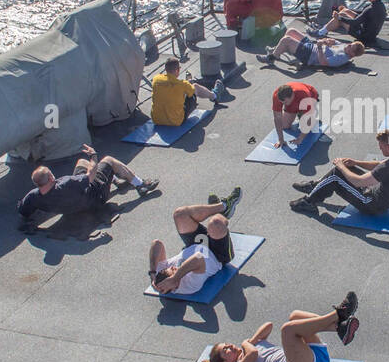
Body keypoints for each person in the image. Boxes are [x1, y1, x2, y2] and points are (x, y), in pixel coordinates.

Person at [201, 293, 360, 362]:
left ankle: (339, 327)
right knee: (287, 330)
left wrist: (253, 340)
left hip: (313, 359)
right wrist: (246, 343)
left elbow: (268, 326)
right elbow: (253, 354)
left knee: (294, 316)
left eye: (226, 345)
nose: (229, 346)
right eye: (225, 350)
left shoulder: (249, 346)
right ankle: (338, 316)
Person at [17, 144, 157, 228]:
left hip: (73, 208)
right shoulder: (66, 184)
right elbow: (90, 175)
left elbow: (23, 211)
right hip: (96, 197)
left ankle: (114, 179)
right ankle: (140, 184)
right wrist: (94, 155)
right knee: (108, 160)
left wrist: (27, 222)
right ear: (51, 178)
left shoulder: (33, 196)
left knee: (81, 162)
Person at [290, 129, 389, 215]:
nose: (380, 149)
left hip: (371, 204)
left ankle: (308, 202)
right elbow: (378, 165)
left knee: (337, 174)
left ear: (388, 147)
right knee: (345, 170)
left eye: (381, 147)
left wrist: (341, 165)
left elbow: (359, 182)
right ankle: (316, 187)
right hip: (381, 200)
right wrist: (356, 162)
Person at [147, 189, 242, 296]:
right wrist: (175, 277)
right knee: (216, 223)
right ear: (174, 287)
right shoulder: (189, 286)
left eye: (169, 269)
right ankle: (223, 214)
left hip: (196, 243)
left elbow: (157, 243)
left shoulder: (162, 275)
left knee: (179, 214)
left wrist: (153, 271)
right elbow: (198, 257)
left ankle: (222, 206)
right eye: (172, 272)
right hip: (217, 254)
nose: (173, 268)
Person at [151, 57, 225, 127]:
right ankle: (214, 95)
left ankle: (212, 94)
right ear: (177, 70)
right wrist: (188, 83)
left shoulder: (156, 79)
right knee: (195, 87)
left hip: (157, 119)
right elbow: (192, 91)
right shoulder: (182, 84)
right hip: (175, 121)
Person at [264, 30, 364, 69]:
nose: (349, 45)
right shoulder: (344, 47)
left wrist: (320, 47)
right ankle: (278, 50)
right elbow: (333, 42)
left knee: (287, 40)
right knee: (291, 31)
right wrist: (327, 40)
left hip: (310, 55)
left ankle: (272, 57)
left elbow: (324, 63)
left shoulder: (341, 58)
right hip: (312, 45)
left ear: (352, 54)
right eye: (351, 44)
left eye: (351, 46)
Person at [271, 82, 320, 148]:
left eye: (285, 102)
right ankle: (297, 112)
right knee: (284, 125)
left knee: (306, 125)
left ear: (292, 95)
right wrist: (281, 139)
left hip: (310, 97)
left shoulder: (304, 94)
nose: (283, 104)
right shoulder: (276, 96)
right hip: (293, 103)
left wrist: (300, 139)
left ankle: (303, 113)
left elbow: (308, 121)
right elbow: (277, 117)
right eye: (282, 103)